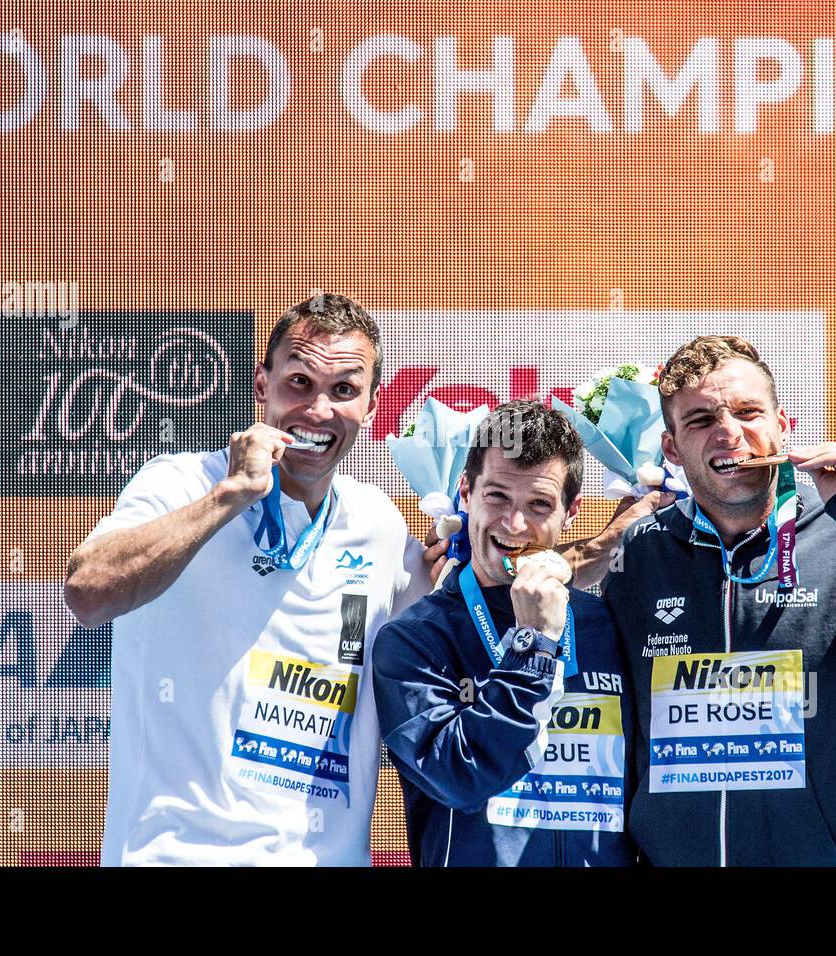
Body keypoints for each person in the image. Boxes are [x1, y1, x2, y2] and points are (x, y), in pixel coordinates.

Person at [64, 294, 436, 866]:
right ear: (260, 386)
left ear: (372, 405)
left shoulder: (379, 522)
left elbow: (458, 622)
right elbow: (88, 592)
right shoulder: (184, 481)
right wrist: (229, 497)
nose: (317, 409)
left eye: (343, 390)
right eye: (299, 382)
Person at [600, 335, 836, 866]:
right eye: (700, 421)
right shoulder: (639, 556)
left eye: (748, 411)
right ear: (671, 448)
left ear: (784, 426)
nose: (729, 433)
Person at [372, 401, 638, 866]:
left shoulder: (609, 624)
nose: (514, 525)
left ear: (571, 512)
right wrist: (533, 645)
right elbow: (458, 777)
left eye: (538, 504)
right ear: (465, 492)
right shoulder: (415, 639)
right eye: (497, 497)